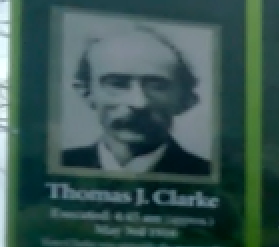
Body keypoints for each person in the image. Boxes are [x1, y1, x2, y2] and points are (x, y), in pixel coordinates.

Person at [62, 25, 211, 177]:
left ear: (185, 100)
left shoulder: (207, 174)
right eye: (117, 84)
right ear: (86, 93)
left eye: (157, 86)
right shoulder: (60, 164)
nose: (139, 103)